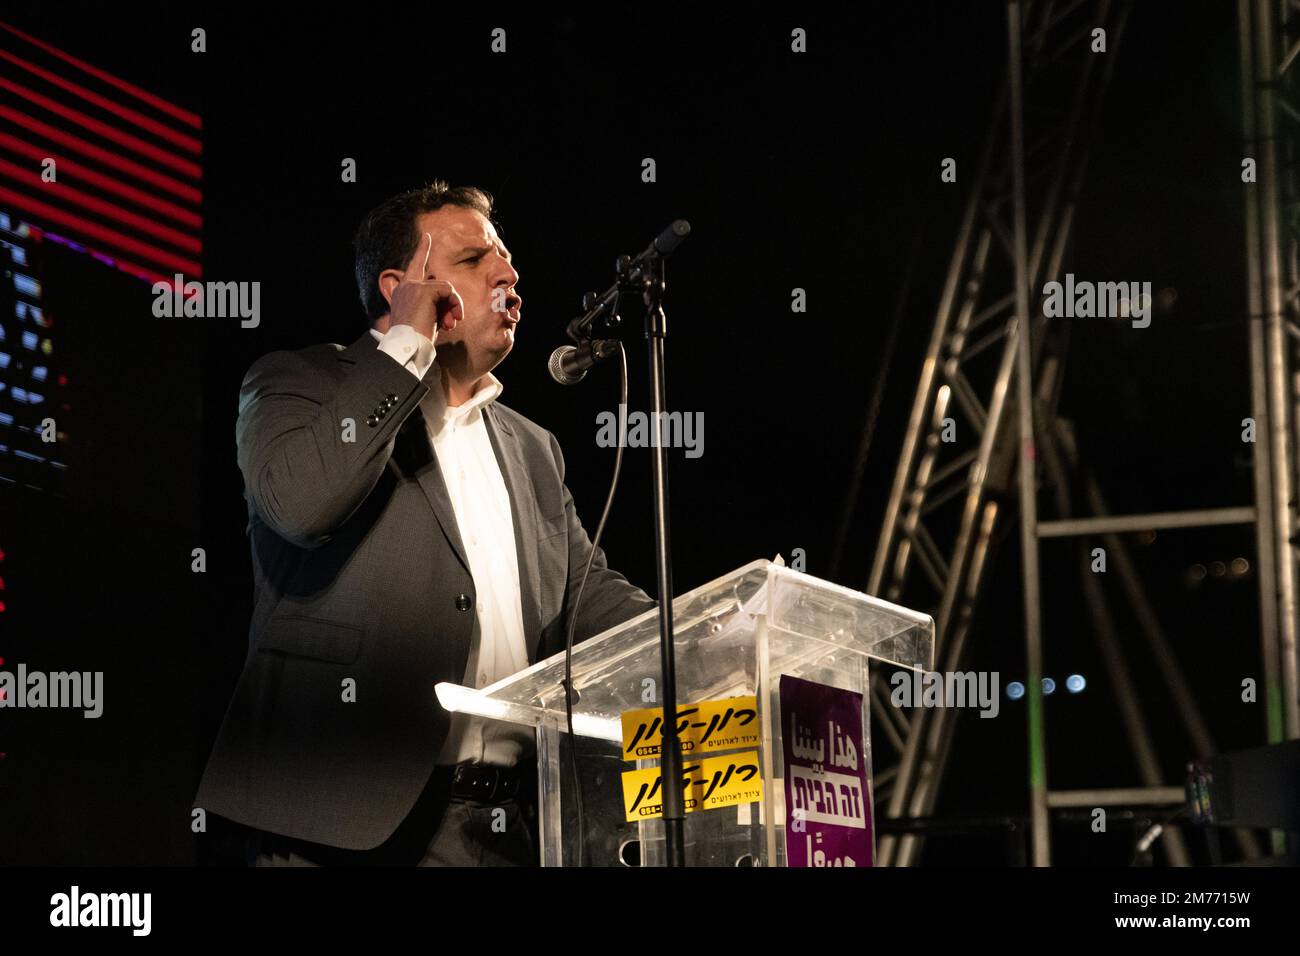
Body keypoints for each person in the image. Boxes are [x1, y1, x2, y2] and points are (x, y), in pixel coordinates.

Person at [192, 181, 656, 866]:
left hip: (498, 832)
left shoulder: (532, 447)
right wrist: (407, 341)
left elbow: (585, 600)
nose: (509, 274)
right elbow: (302, 505)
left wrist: (714, 632)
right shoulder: (299, 381)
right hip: (329, 823)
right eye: (474, 259)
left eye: (506, 259)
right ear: (398, 286)